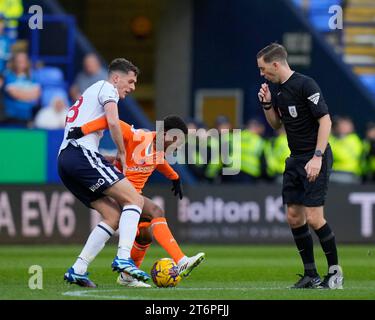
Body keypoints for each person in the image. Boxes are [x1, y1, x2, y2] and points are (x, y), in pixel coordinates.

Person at [68, 115, 205, 287]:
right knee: (156, 211)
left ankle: (126, 277)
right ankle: (181, 259)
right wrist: (83, 130)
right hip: (117, 189)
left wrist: (174, 177)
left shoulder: (159, 149)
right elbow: (110, 121)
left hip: (133, 196)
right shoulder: (138, 137)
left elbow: (158, 160)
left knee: (145, 234)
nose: (178, 146)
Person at [257, 43, 343, 289]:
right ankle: (311, 275)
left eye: (263, 69)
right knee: (294, 217)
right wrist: (267, 104)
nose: (262, 74)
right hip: (295, 159)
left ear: (276, 64)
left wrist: (317, 156)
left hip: (315, 156)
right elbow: (276, 125)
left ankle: (335, 274)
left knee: (315, 218)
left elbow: (325, 121)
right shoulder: (280, 91)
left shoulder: (306, 84)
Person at [58, 58, 149, 288]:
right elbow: (113, 122)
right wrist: (121, 153)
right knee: (134, 199)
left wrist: (103, 158)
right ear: (116, 78)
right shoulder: (107, 88)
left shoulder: (90, 94)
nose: (133, 87)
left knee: (112, 216)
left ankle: (78, 269)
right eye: (130, 81)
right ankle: (124, 258)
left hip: (67, 160)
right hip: (79, 154)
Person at [2, 51, 41, 126]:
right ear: (14, 62)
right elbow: (15, 94)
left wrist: (21, 92)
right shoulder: (8, 75)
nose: (21, 63)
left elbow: (37, 94)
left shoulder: (32, 76)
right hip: (11, 116)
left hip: (28, 116)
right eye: (18, 61)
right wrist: (29, 94)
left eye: (23, 61)